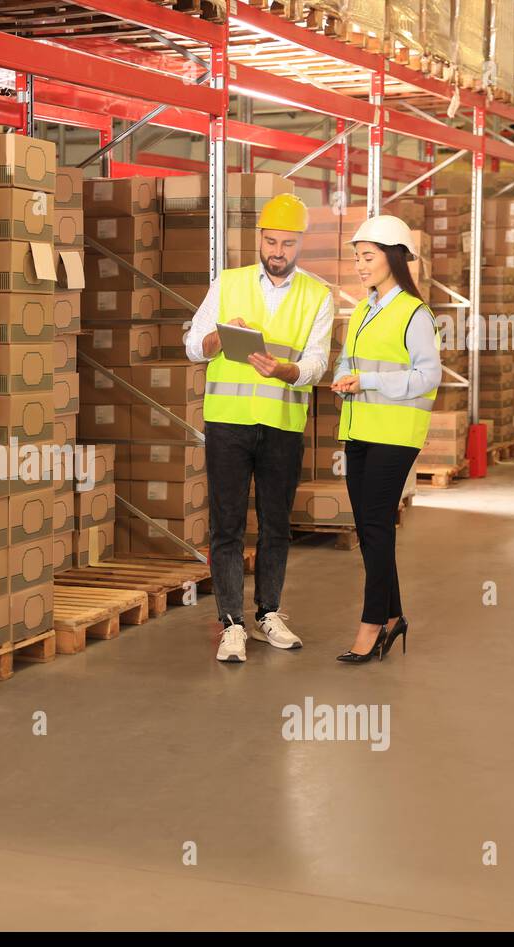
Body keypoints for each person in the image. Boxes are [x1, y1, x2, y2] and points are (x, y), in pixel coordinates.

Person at [185, 193, 333, 664]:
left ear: (300, 245)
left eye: (288, 244)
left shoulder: (318, 295)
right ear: (260, 239)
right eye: (271, 241)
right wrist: (219, 335)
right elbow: (194, 346)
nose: (278, 251)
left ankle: (269, 613)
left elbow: (317, 363)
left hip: (282, 426)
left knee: (275, 525)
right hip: (228, 424)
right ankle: (231, 623)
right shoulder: (227, 284)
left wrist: (285, 371)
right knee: (227, 525)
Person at [329, 214, 442, 664]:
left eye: (367, 257)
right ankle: (394, 616)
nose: (359, 265)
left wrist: (369, 381)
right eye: (356, 257)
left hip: (395, 434)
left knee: (375, 527)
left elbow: (428, 376)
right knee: (369, 528)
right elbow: (346, 360)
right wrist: (344, 378)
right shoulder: (362, 308)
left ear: (393, 258)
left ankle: (372, 622)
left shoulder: (416, 314)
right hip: (360, 429)